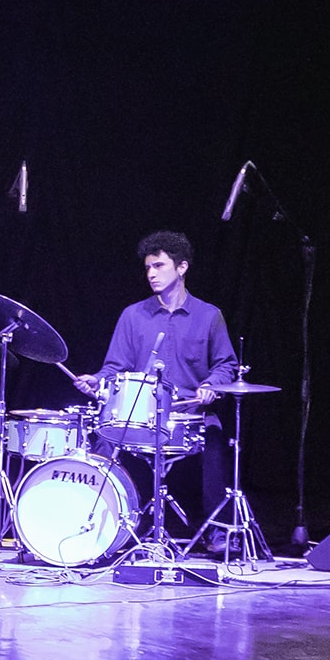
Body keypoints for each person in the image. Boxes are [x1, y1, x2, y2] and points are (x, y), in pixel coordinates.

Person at [73, 231, 237, 549]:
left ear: (182, 267)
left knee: (215, 439)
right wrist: (96, 379)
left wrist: (211, 385)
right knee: (105, 440)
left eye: (159, 266)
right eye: (148, 267)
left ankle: (218, 530)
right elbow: (114, 368)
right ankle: (103, 528)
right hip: (142, 413)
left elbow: (225, 366)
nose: (151, 274)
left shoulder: (209, 316)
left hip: (190, 415)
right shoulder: (133, 316)